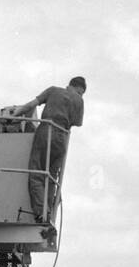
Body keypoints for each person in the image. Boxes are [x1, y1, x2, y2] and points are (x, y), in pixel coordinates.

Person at [5, 76, 86, 223]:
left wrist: (13, 115)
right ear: (78, 88)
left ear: (70, 85)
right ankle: (49, 214)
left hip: (46, 132)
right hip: (62, 139)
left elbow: (31, 105)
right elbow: (76, 123)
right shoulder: (79, 101)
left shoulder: (53, 90)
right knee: (51, 178)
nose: (79, 96)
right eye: (80, 93)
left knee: (37, 174)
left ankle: (42, 215)